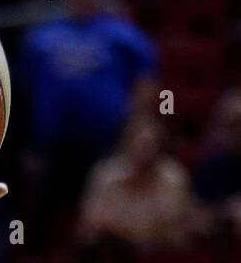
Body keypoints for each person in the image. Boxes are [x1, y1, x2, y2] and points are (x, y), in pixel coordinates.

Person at [18, 0, 158, 232]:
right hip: (53, 149)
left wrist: (135, 130)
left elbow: (148, 80)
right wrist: (28, 145)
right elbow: (24, 93)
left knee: (96, 221)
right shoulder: (41, 40)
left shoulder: (124, 37)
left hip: (106, 145)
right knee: (41, 218)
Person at [77, 114, 200, 251]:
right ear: (127, 145)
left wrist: (126, 231)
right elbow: (90, 228)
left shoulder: (173, 176)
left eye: (153, 145)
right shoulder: (105, 175)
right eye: (141, 145)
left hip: (161, 257)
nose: (147, 152)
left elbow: (178, 231)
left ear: (161, 148)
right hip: (113, 254)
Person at [194, 88, 241, 235]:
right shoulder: (211, 169)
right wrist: (224, 214)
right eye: (233, 125)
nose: (238, 131)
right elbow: (196, 218)